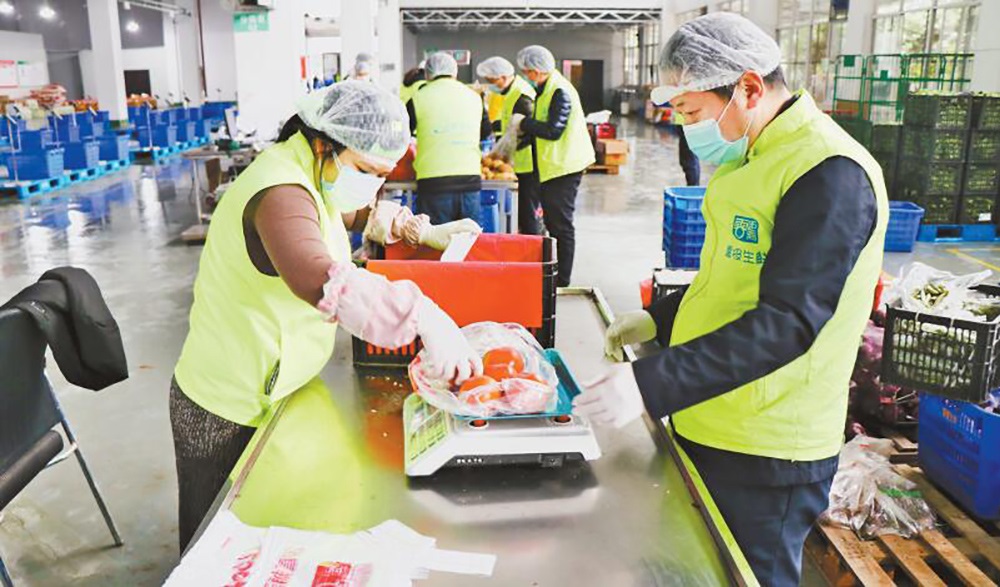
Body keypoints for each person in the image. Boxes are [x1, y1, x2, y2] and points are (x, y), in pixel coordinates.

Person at [574, 13, 887, 586]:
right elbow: (731, 277)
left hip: (767, 445)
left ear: (748, 88)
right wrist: (658, 319)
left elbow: (788, 322)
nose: (686, 127)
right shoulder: (752, 155)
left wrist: (650, 382)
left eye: (692, 112)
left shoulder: (829, 174)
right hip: (711, 415)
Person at [170, 81, 482, 552]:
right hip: (226, 402)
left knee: (262, 527)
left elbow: (350, 212)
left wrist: (410, 228)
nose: (372, 184)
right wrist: (423, 315)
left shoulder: (314, 170)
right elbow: (319, 277)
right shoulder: (278, 191)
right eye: (366, 171)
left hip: (277, 386)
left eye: (382, 175)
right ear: (324, 144)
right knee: (213, 536)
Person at [512, 45, 595, 286]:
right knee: (552, 222)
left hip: (565, 167)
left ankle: (562, 281)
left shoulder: (560, 91)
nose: (526, 76)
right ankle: (554, 274)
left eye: (527, 71)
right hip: (554, 166)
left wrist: (524, 123)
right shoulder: (546, 89)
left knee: (561, 224)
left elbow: (553, 130)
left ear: (537, 70)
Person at [407, 52, 492, 225]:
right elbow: (485, 132)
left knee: (435, 238)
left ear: (428, 73)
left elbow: (403, 135)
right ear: (455, 72)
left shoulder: (418, 98)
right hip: (469, 180)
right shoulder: (474, 96)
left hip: (433, 182)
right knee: (468, 238)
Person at [476, 56, 541, 234]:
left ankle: (534, 247)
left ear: (503, 77)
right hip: (519, 162)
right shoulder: (513, 92)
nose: (491, 85)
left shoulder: (522, 95)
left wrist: (503, 151)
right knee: (523, 212)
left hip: (528, 162)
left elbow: (525, 131)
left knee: (528, 213)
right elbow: (509, 125)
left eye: (492, 81)